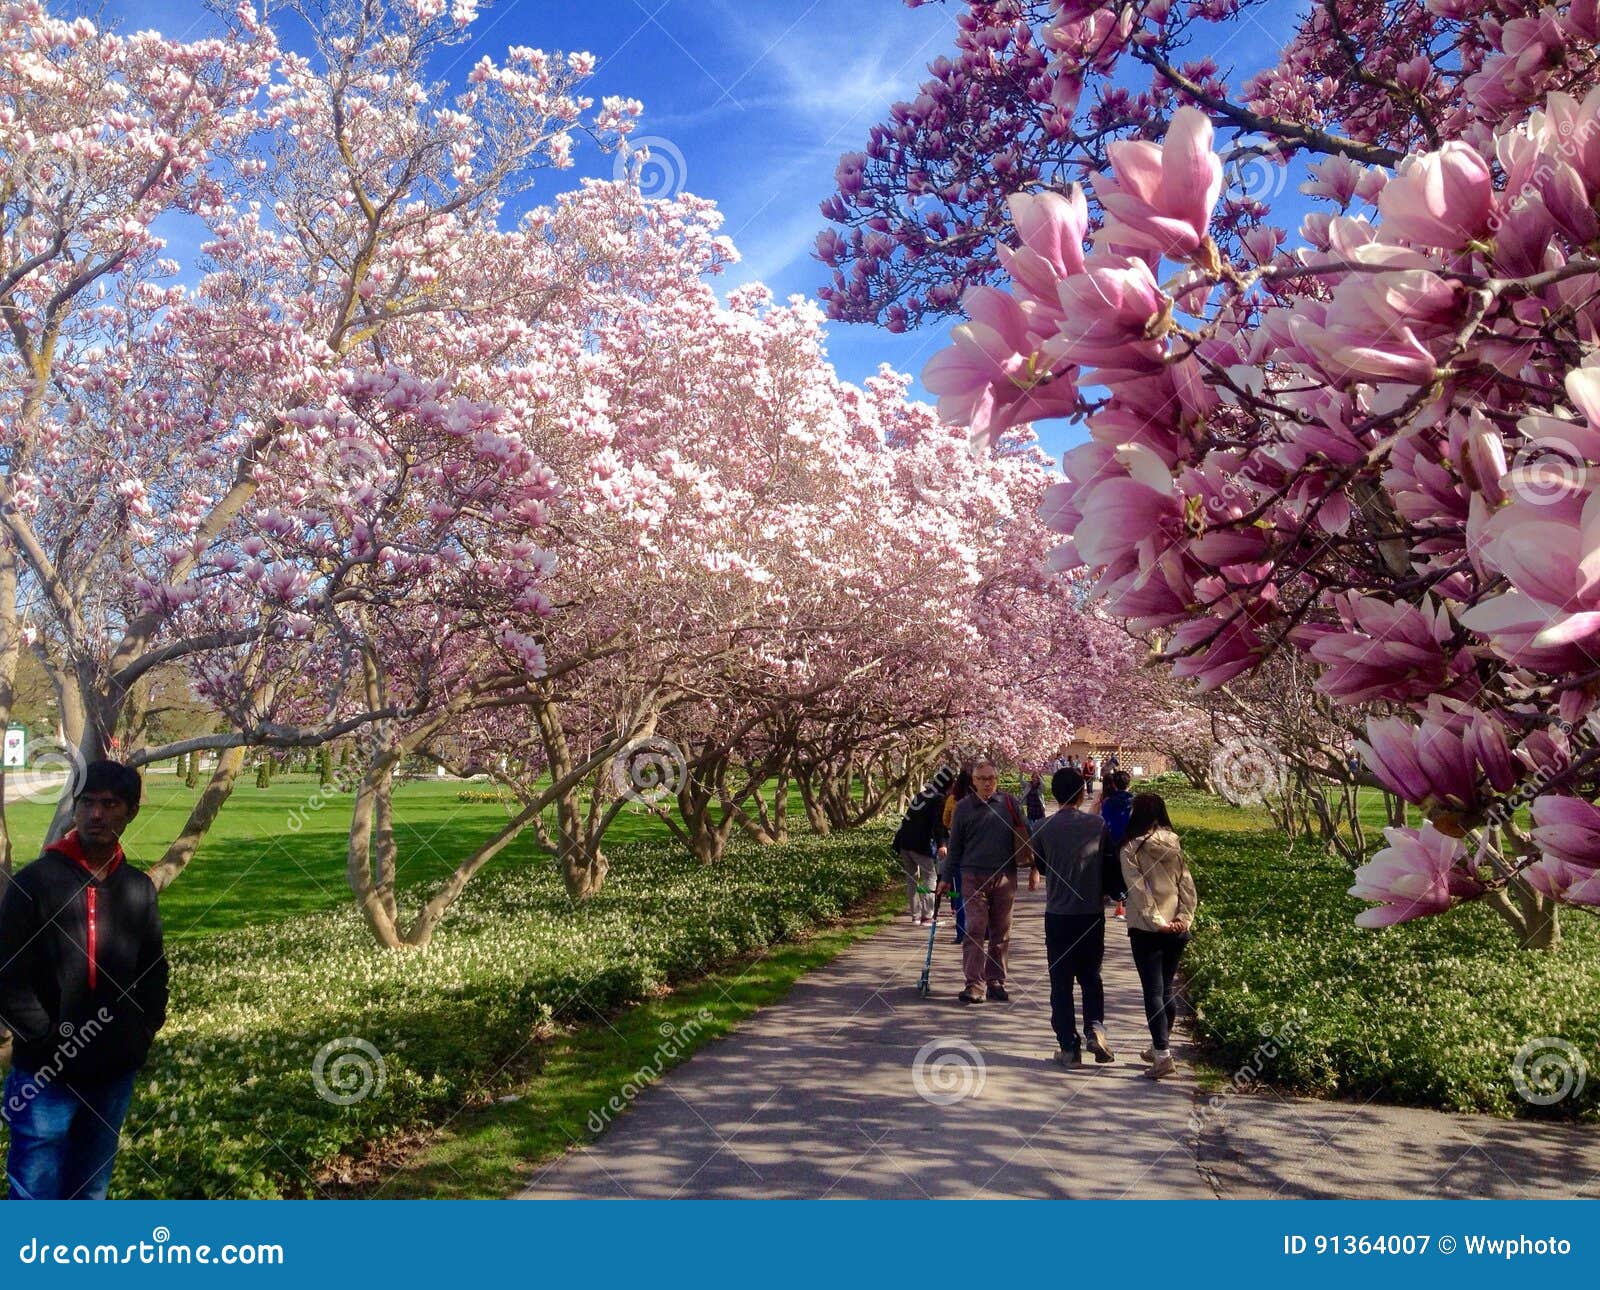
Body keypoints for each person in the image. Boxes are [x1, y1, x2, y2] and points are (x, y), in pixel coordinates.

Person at [0, 761, 168, 1199]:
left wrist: (142, 1031)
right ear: (74, 809)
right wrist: (43, 1038)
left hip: (113, 1072)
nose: (96, 814)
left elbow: (153, 968)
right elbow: (7, 973)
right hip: (44, 1077)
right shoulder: (35, 883)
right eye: (86, 803)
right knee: (34, 1195)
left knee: (90, 1191)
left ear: (130, 812)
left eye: (110, 804)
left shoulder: (137, 889)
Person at [1030, 768, 1116, 1067]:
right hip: (1091, 913)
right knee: (1091, 976)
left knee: (1061, 982)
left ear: (1054, 793)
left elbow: (1041, 868)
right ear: (1082, 793)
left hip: (1058, 914)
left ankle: (1069, 1046)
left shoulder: (1041, 827)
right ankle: (1095, 1028)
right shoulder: (1098, 825)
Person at [937, 759, 1029, 1004]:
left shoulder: (1009, 804)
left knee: (1001, 931)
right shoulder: (964, 808)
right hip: (972, 876)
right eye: (982, 779)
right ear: (974, 782)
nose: (987, 783)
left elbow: (1026, 836)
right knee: (975, 928)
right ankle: (974, 984)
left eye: (991, 778)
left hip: (1005, 877)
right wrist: (946, 878)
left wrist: (1035, 869)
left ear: (996, 780)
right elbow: (955, 846)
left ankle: (996, 981)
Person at [1119, 792, 1197, 1080]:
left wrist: (1156, 922)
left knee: (1153, 991)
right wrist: (1183, 918)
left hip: (1147, 929)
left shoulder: (1130, 848)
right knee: (1167, 989)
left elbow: (1138, 890)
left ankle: (1162, 1055)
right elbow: (1187, 885)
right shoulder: (1175, 843)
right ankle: (1158, 1046)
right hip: (1176, 929)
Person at [893, 767, 953, 924]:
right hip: (919, 844)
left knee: (911, 879)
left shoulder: (921, 795)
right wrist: (941, 844)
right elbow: (937, 824)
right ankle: (927, 916)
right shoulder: (938, 799)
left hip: (904, 841)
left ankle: (915, 915)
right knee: (931, 877)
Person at [939, 768, 973, 944]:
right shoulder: (978, 801)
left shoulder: (953, 800)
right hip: (976, 851)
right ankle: (986, 930)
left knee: (960, 892)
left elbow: (945, 821)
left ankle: (961, 932)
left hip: (957, 848)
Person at [1100, 770, 1135, 920]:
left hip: (1111, 841)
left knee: (1115, 872)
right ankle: (1125, 906)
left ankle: (1118, 906)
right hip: (1129, 841)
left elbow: (1104, 819)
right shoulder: (1134, 802)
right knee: (1129, 873)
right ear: (1130, 783)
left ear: (1114, 784)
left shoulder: (1107, 802)